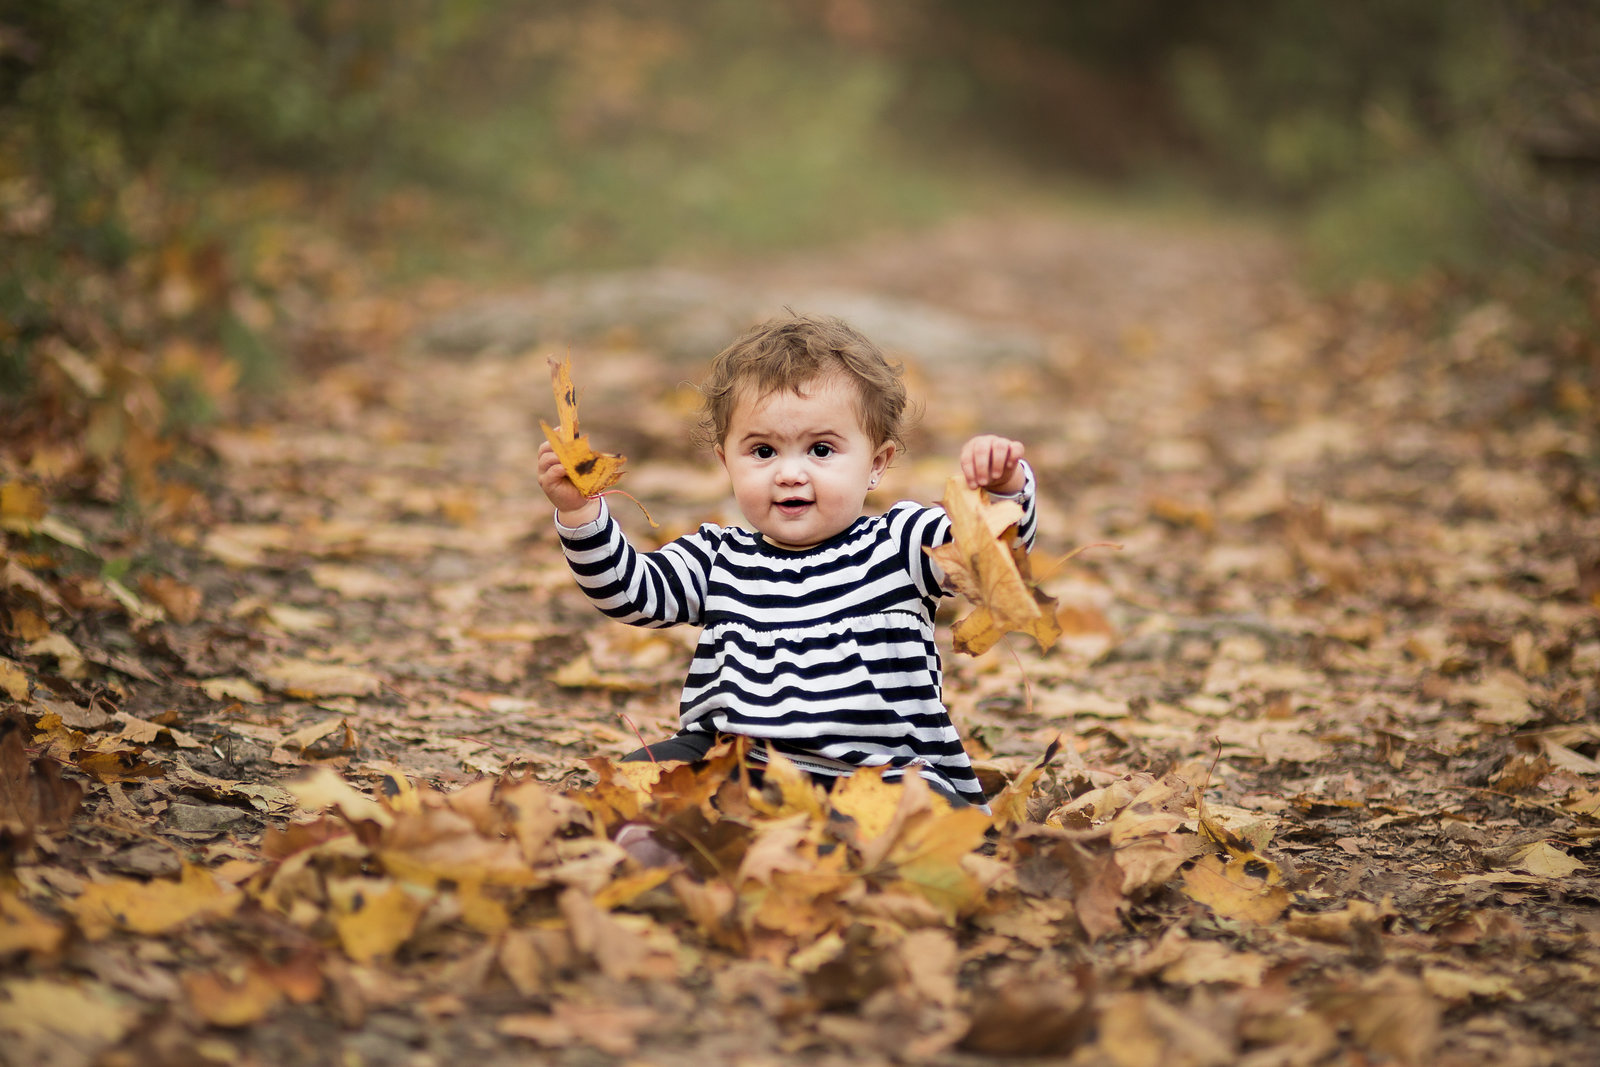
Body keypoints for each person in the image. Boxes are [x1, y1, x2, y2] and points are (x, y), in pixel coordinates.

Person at [536, 313, 1036, 810]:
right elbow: (628, 592)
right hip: (736, 764)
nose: (790, 473)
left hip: (875, 776)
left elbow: (991, 559)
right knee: (633, 782)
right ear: (725, 461)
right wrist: (580, 513)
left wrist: (1005, 488)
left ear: (875, 465)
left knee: (927, 815)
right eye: (762, 451)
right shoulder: (718, 557)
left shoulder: (901, 542)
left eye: (821, 449)